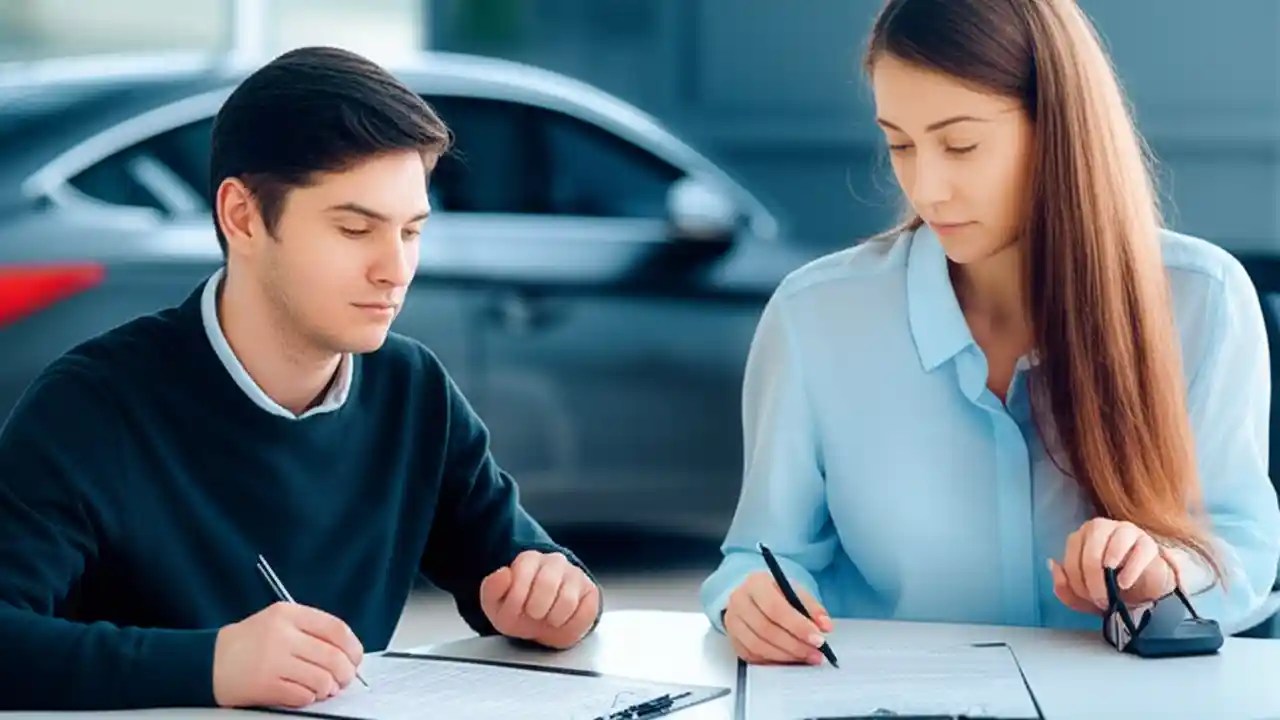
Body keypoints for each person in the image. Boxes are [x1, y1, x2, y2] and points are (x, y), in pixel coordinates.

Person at [0, 46, 602, 710]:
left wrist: (556, 600)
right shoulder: (94, 405)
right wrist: (210, 665)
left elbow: (527, 568)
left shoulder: (412, 390)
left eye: (410, 231)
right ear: (243, 216)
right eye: (354, 229)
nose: (394, 268)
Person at [701, 0, 1280, 666]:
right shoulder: (814, 318)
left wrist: (1167, 570)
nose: (928, 188)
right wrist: (751, 600)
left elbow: (1242, 549)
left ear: (1058, 128)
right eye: (900, 144)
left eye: (961, 144)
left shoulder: (1204, 300)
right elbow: (761, 555)